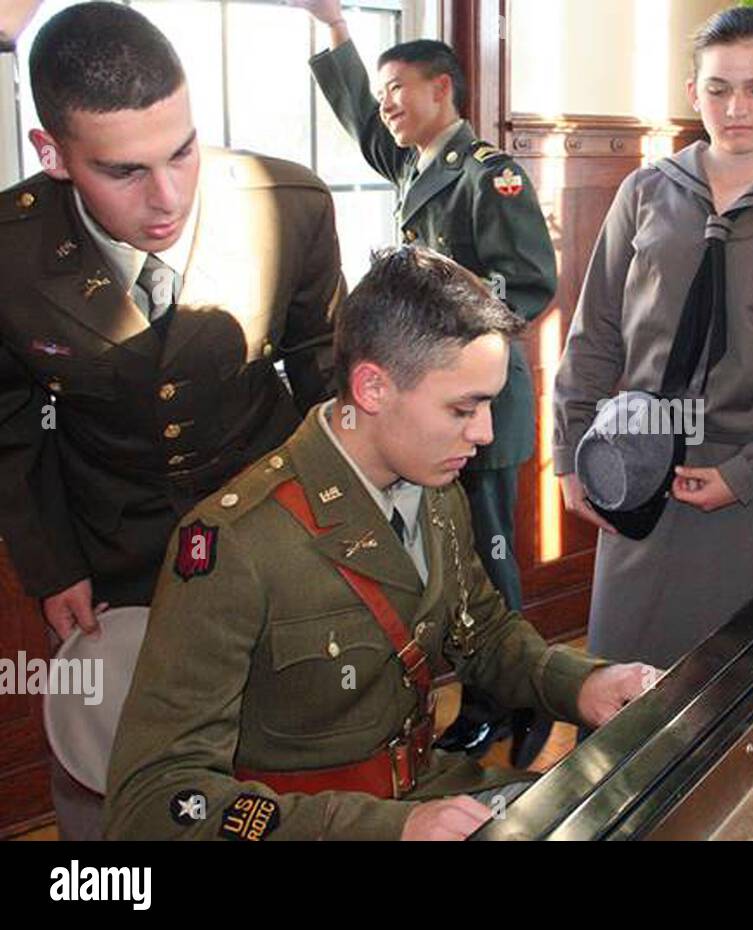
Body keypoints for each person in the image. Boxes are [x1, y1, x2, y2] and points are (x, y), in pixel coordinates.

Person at [105, 247, 655, 841]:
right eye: (462, 408)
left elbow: (483, 632)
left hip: (427, 787)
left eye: (490, 403)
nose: (485, 433)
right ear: (372, 387)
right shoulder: (233, 545)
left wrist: (580, 683)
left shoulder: (434, 482)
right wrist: (385, 827)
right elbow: (154, 800)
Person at [0, 3, 343, 839]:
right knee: (110, 779)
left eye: (183, 151)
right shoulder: (9, 252)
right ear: (52, 155)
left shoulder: (287, 203)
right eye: (123, 171)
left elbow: (327, 383)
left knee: (279, 774)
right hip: (110, 549)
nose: (168, 198)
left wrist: (340, 535)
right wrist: (51, 567)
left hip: (269, 532)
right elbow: (10, 422)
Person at [553, 7, 753, 669]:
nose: (737, 108)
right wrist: (570, 450)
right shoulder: (646, 192)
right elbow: (594, 332)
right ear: (693, 93)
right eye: (718, 88)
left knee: (736, 687)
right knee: (622, 683)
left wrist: (741, 474)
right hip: (636, 465)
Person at [295, 0, 555, 764]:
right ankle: (486, 697)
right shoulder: (416, 163)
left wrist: (440, 326)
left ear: (443, 90)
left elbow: (528, 284)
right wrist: (338, 32)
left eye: (397, 90)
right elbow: (360, 123)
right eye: (381, 95)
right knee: (451, 556)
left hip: (480, 410)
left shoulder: (488, 175)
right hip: (428, 408)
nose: (386, 107)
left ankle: (512, 701)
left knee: (489, 557)